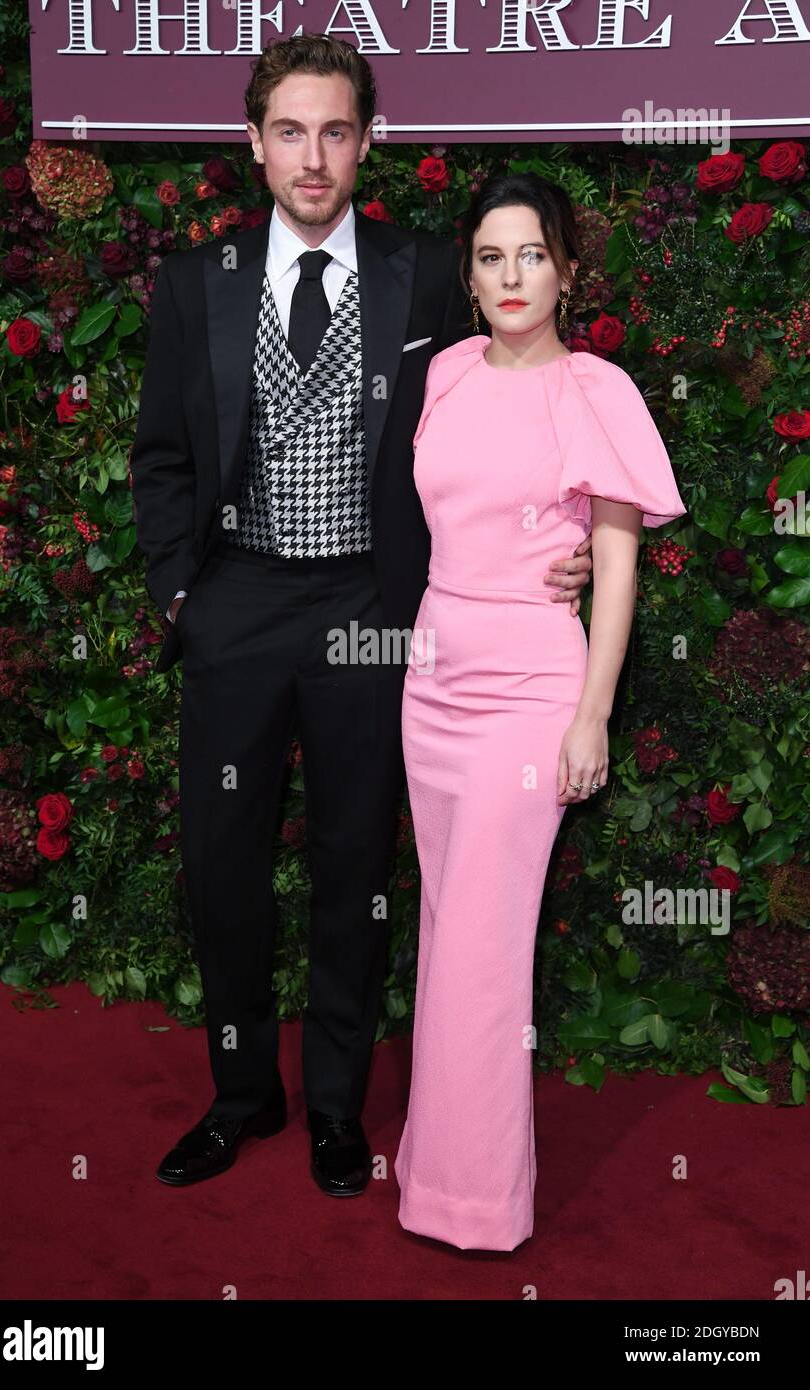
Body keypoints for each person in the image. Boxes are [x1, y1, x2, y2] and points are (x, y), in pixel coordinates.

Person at [129, 36, 592, 1199]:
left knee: (354, 862)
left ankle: (337, 1107)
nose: (314, 156)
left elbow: (518, 392)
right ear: (252, 144)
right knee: (222, 863)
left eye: (336, 130)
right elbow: (162, 459)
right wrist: (180, 589)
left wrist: (567, 536)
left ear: (367, 139)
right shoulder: (196, 283)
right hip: (235, 599)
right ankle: (242, 1097)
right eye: (290, 131)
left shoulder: (426, 273)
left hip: (372, 608)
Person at [393, 172, 687, 1251]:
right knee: (442, 927)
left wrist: (591, 713)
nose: (510, 276)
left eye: (530, 255)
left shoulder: (596, 390)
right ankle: (433, 1168)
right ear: (467, 279)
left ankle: (475, 1204)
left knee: (480, 938)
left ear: (566, 269)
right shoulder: (443, 376)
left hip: (529, 688)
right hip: (430, 682)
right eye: (488, 257)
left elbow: (614, 559)